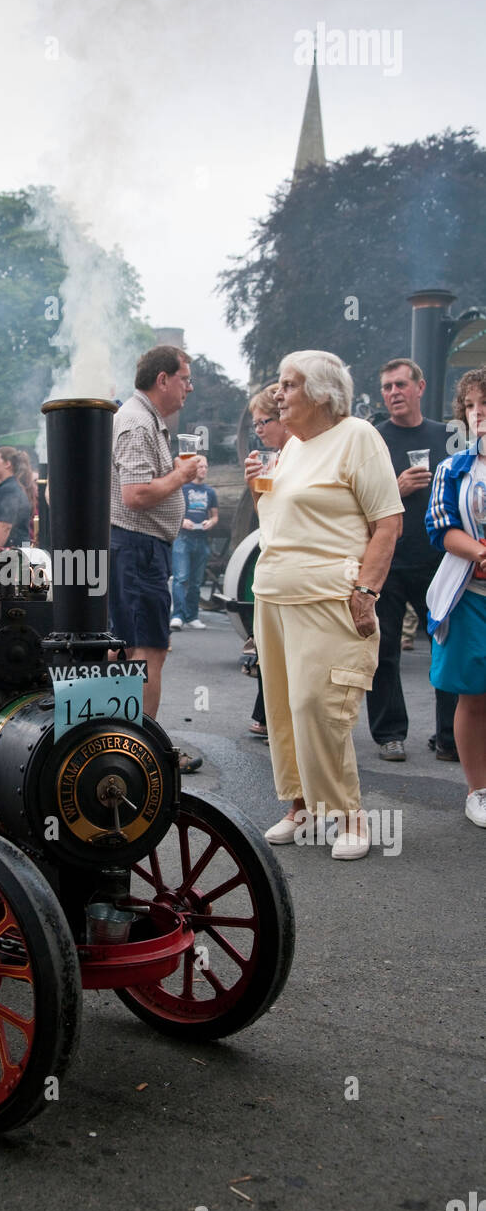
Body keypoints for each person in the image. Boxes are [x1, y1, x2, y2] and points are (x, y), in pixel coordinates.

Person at [247, 351, 403, 860]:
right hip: (272, 593)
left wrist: (367, 592)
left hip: (328, 595)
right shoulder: (291, 448)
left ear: (321, 393)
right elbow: (279, 524)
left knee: (320, 706)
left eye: (289, 385)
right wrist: (257, 488)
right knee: (283, 709)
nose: (277, 394)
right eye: (279, 383)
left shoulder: (357, 436)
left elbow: (387, 523)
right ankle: (299, 807)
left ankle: (348, 815)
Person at [109, 344, 201, 769]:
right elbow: (135, 496)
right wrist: (181, 475)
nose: (189, 387)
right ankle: (143, 753)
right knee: (147, 650)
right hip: (137, 546)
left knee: (135, 648)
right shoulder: (135, 421)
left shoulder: (145, 419)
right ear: (162, 379)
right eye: (184, 378)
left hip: (142, 547)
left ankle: (131, 744)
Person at [366, 358, 458, 762]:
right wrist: (397, 488)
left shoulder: (448, 435)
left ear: (420, 387)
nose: (393, 393)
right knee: (384, 650)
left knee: (447, 648)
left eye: (401, 385)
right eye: (387, 387)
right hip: (387, 560)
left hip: (440, 561)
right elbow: (359, 503)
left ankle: (451, 737)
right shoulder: (373, 439)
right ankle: (390, 734)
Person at [425, 368, 486, 828]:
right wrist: (482, 552)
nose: (478, 414)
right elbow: (441, 527)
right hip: (470, 594)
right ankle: (478, 790)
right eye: (471, 406)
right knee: (474, 695)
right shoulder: (453, 467)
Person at [244, 384, 291, 737]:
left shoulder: (300, 455)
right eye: (255, 424)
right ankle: (268, 716)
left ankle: (277, 718)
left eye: (264, 422)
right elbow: (267, 515)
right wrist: (254, 487)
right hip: (274, 561)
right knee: (270, 647)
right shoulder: (274, 459)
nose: (259, 430)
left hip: (295, 565)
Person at [170, 454, 218, 631]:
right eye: (200, 466)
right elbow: (172, 510)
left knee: (196, 582)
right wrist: (182, 522)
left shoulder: (210, 492)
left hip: (201, 538)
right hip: (183, 537)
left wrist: (210, 523)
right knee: (181, 578)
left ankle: (192, 616)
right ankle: (177, 616)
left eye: (206, 466)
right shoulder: (182, 488)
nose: (203, 469)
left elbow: (215, 516)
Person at [0, 447, 34, 557]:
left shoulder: (9, 489)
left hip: (7, 559)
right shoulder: (9, 487)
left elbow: (5, 525)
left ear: (7, 464)